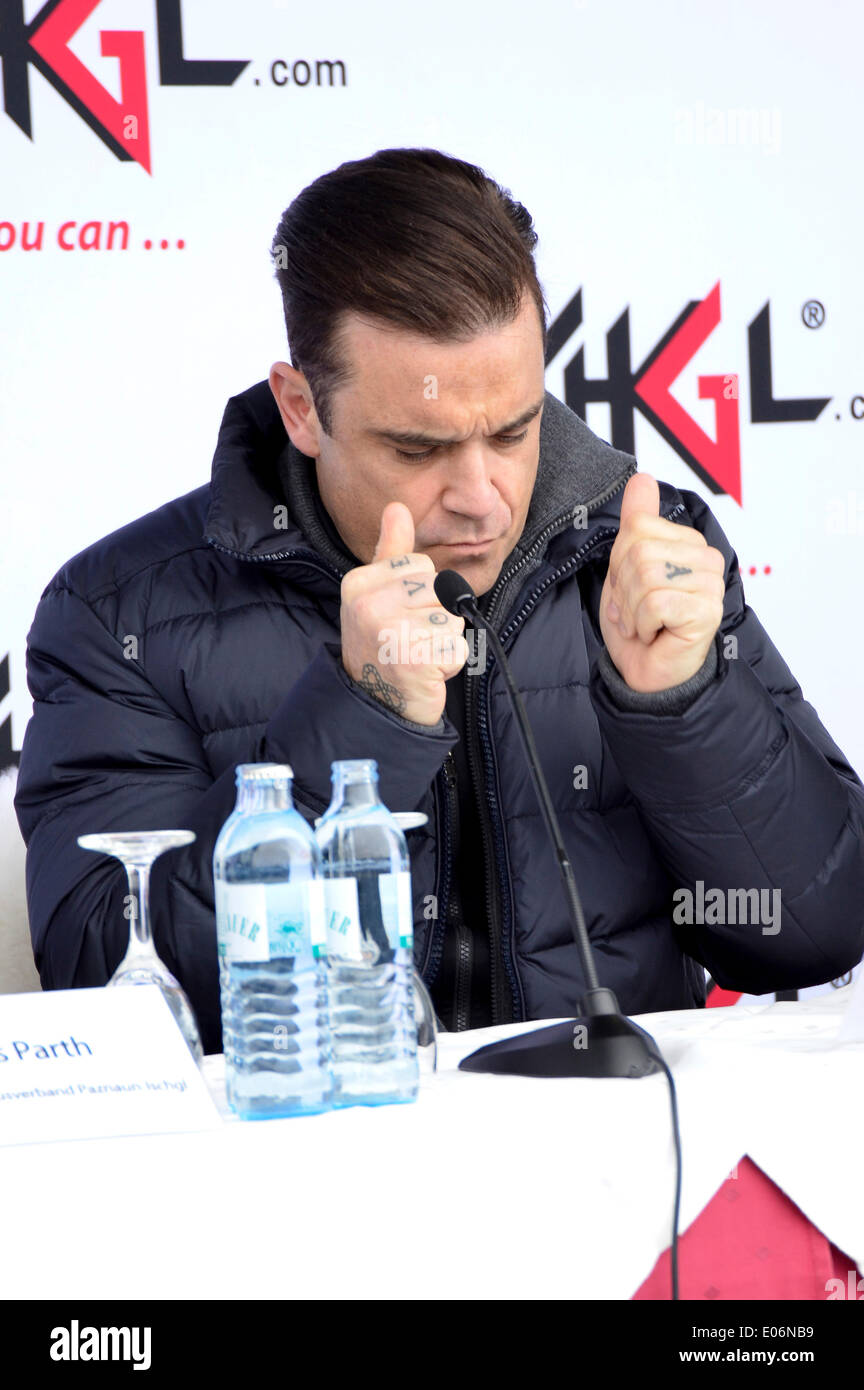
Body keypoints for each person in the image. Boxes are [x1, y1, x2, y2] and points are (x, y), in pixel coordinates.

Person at [14, 148, 864, 1053]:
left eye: (514, 431)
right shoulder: (119, 612)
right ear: (301, 409)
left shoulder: (647, 555)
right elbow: (108, 998)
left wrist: (688, 709)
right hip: (314, 1138)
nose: (482, 498)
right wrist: (359, 718)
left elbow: (816, 934)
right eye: (418, 450)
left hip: (616, 1128)